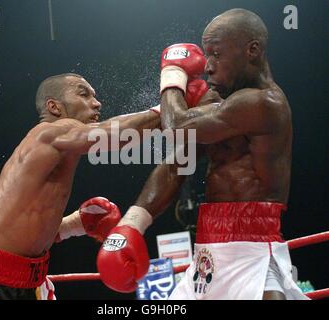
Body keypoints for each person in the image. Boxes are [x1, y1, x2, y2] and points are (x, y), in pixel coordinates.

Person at [96, 9, 308, 300]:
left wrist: (172, 74)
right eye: (206, 55)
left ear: (252, 50)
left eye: (217, 54)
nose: (208, 67)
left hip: (252, 250)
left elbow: (177, 127)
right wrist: (132, 224)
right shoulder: (219, 101)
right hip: (206, 252)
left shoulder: (264, 102)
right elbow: (176, 165)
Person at [0, 73, 160, 300]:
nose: (97, 102)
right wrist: (165, 109)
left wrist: (73, 225)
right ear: (54, 107)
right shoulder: (48, 132)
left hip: (31, 280)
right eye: (84, 94)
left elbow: (21, 231)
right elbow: (114, 135)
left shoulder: (56, 150)